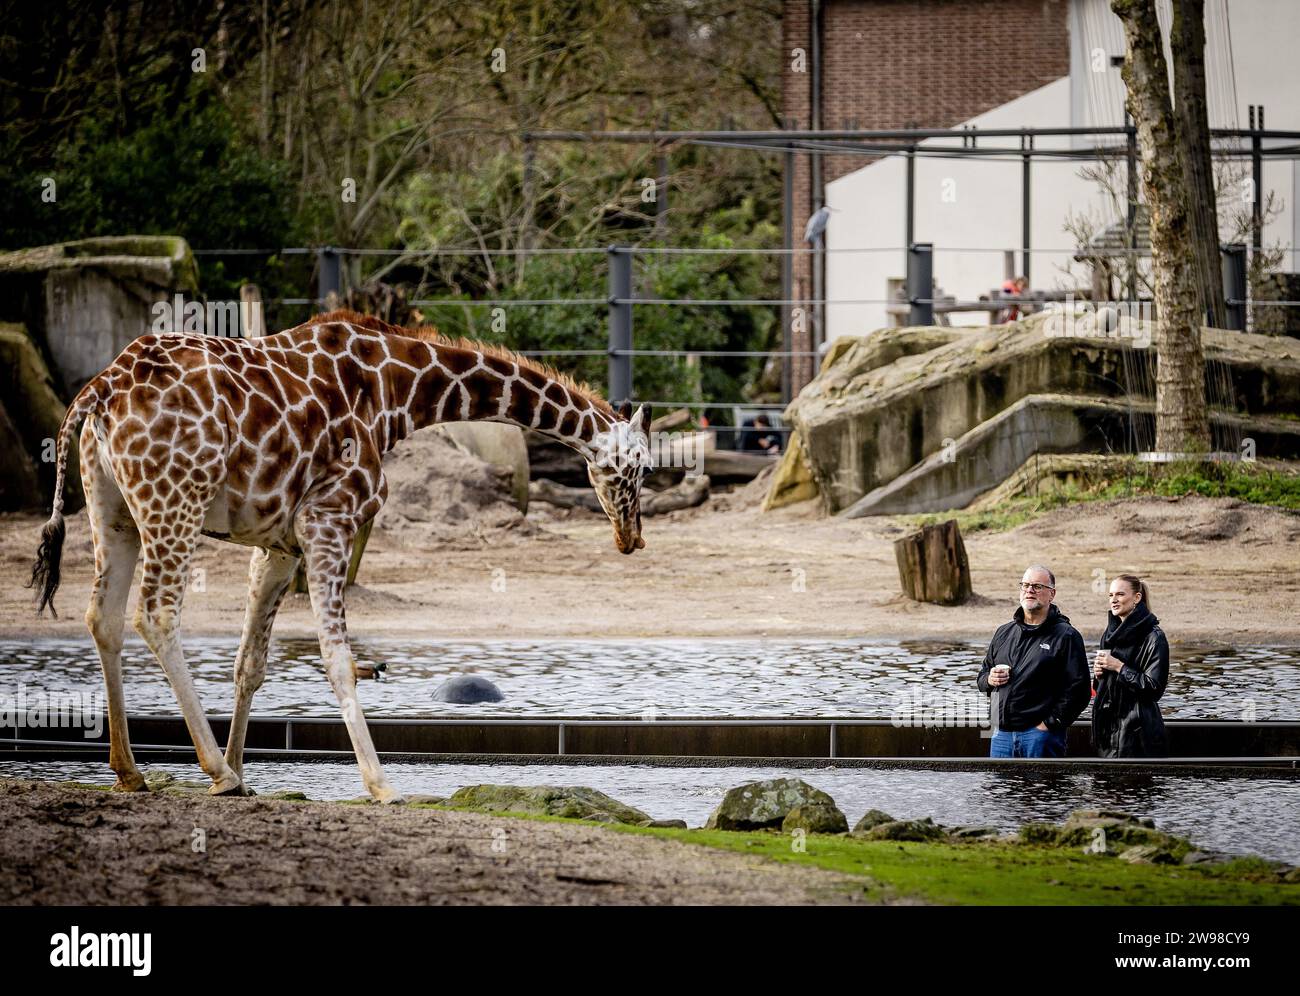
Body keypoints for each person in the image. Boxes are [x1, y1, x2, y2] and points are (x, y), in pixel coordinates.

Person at [977, 565, 1090, 758]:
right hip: (1000, 734)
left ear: (1051, 594)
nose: (1029, 590)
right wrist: (990, 679)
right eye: (1025, 585)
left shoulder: (1066, 636)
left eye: (1037, 586)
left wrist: (1049, 723)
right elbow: (981, 679)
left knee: (1041, 788)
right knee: (1000, 788)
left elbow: (1079, 691)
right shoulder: (1003, 632)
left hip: (1039, 735)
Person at [1091, 574, 1169, 757]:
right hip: (1108, 730)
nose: (1114, 600)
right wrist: (1098, 674)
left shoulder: (1154, 637)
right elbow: (1102, 688)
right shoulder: (1109, 633)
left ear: (1137, 597)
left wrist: (1119, 667)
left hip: (1138, 733)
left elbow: (1154, 689)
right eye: (1110, 595)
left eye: (1120, 594)